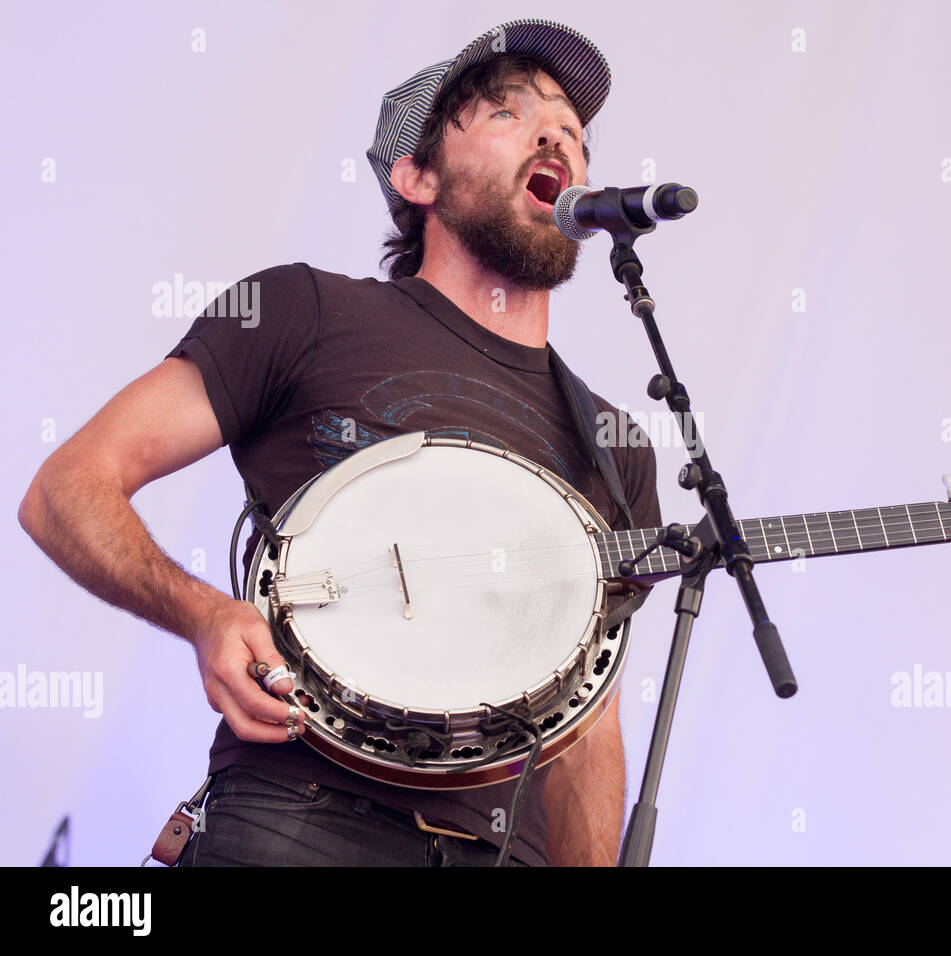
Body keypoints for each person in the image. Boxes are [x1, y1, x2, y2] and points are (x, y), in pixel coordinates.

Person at [17, 19, 660, 867]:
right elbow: (67, 486)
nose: (557, 135)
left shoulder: (615, 448)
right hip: (299, 823)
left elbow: (590, 721)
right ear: (417, 174)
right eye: (509, 112)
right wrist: (206, 615)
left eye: (574, 131)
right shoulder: (306, 313)